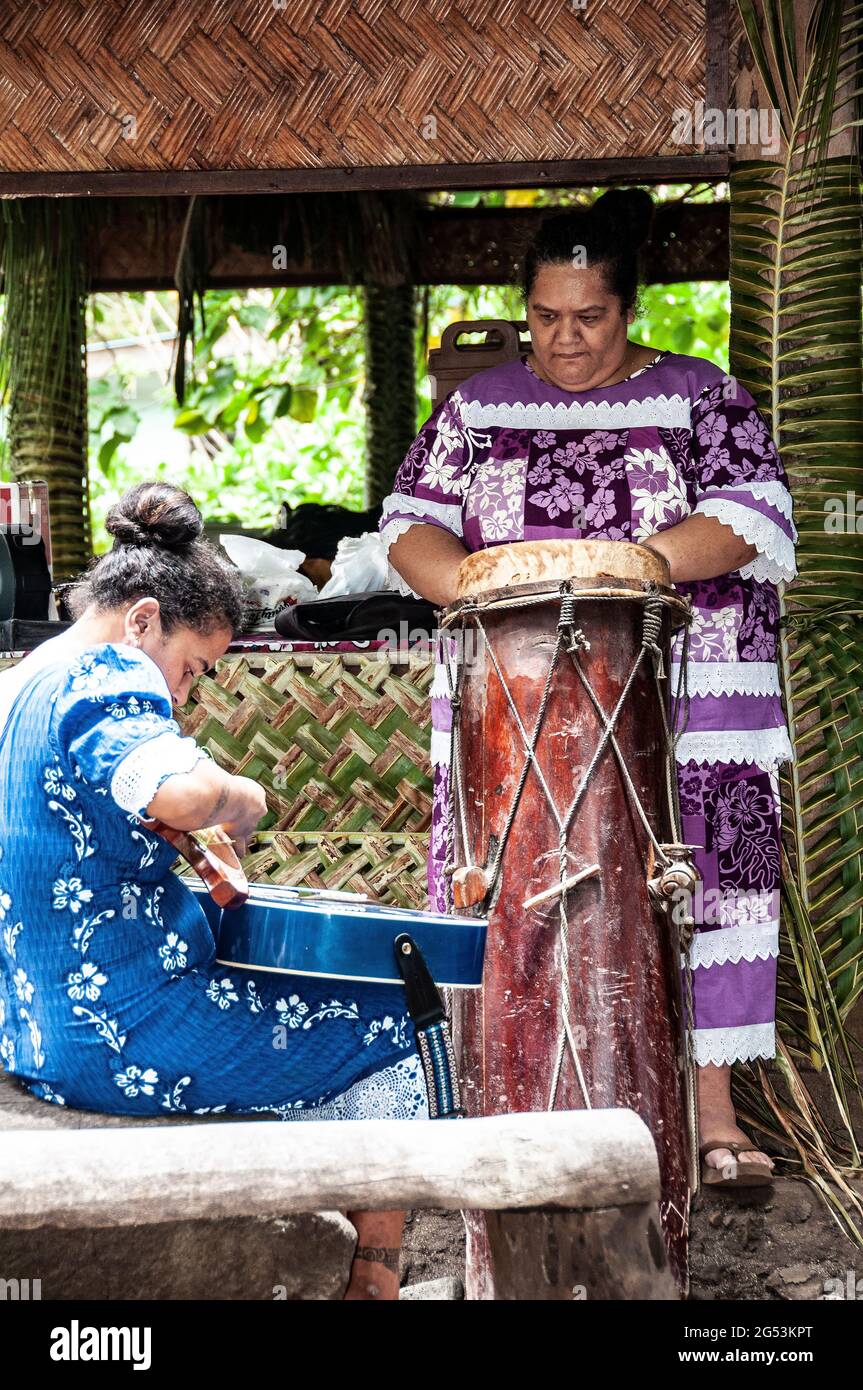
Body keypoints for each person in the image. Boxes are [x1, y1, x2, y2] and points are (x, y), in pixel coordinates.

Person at [380, 188, 797, 1188]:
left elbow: (755, 517)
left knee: (692, 888)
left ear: (628, 309)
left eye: (589, 317)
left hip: (685, 704)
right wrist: (481, 585)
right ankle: (511, 1101)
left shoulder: (700, 397)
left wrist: (626, 568)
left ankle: (707, 1118)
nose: (563, 341)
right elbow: (409, 525)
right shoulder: (477, 409)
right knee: (524, 896)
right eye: (544, 317)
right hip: (518, 708)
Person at [0, 482, 424, 1299]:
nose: (187, 693)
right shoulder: (105, 674)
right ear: (142, 619)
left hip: (30, 1030)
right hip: (118, 1037)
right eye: (193, 668)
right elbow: (180, 795)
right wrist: (243, 797)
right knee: (398, 1025)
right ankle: (374, 1279)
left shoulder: (21, 680)